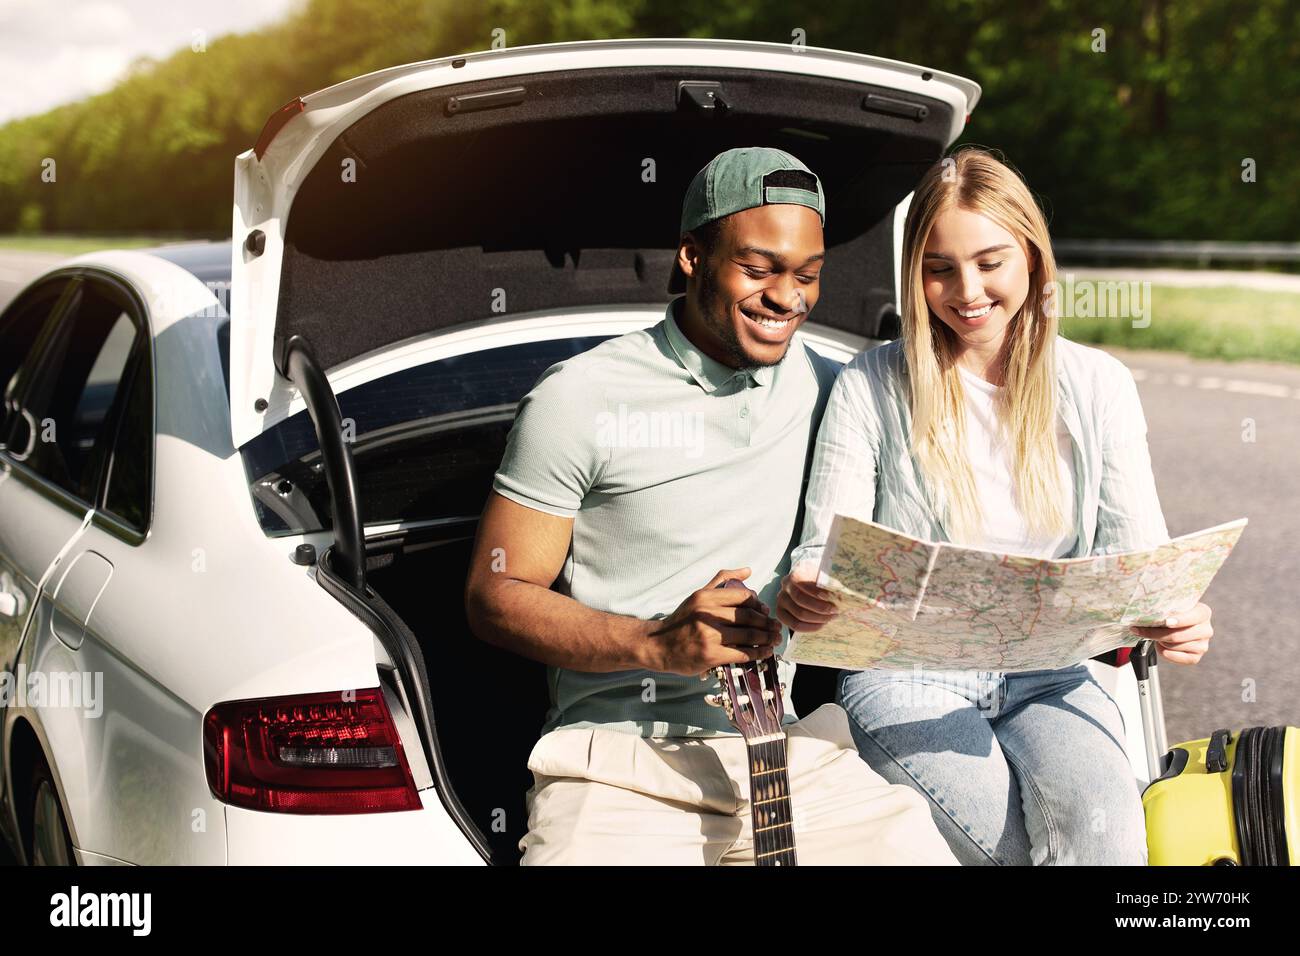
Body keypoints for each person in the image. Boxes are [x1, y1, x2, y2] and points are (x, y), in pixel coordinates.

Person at [465, 146, 957, 865]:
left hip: (790, 753)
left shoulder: (837, 394)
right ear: (693, 255)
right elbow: (493, 594)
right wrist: (655, 643)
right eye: (758, 270)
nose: (788, 298)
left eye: (808, 275)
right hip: (618, 767)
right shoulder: (581, 396)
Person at [776, 147, 1214, 866]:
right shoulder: (871, 384)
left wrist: (1175, 618)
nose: (966, 290)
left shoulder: (1099, 385)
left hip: (1053, 671)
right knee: (1007, 847)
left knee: (1105, 837)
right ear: (914, 274)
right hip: (905, 671)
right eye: (939, 268)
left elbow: (1139, 561)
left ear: (1034, 261)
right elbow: (823, 548)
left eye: (990, 262)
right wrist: (811, 587)